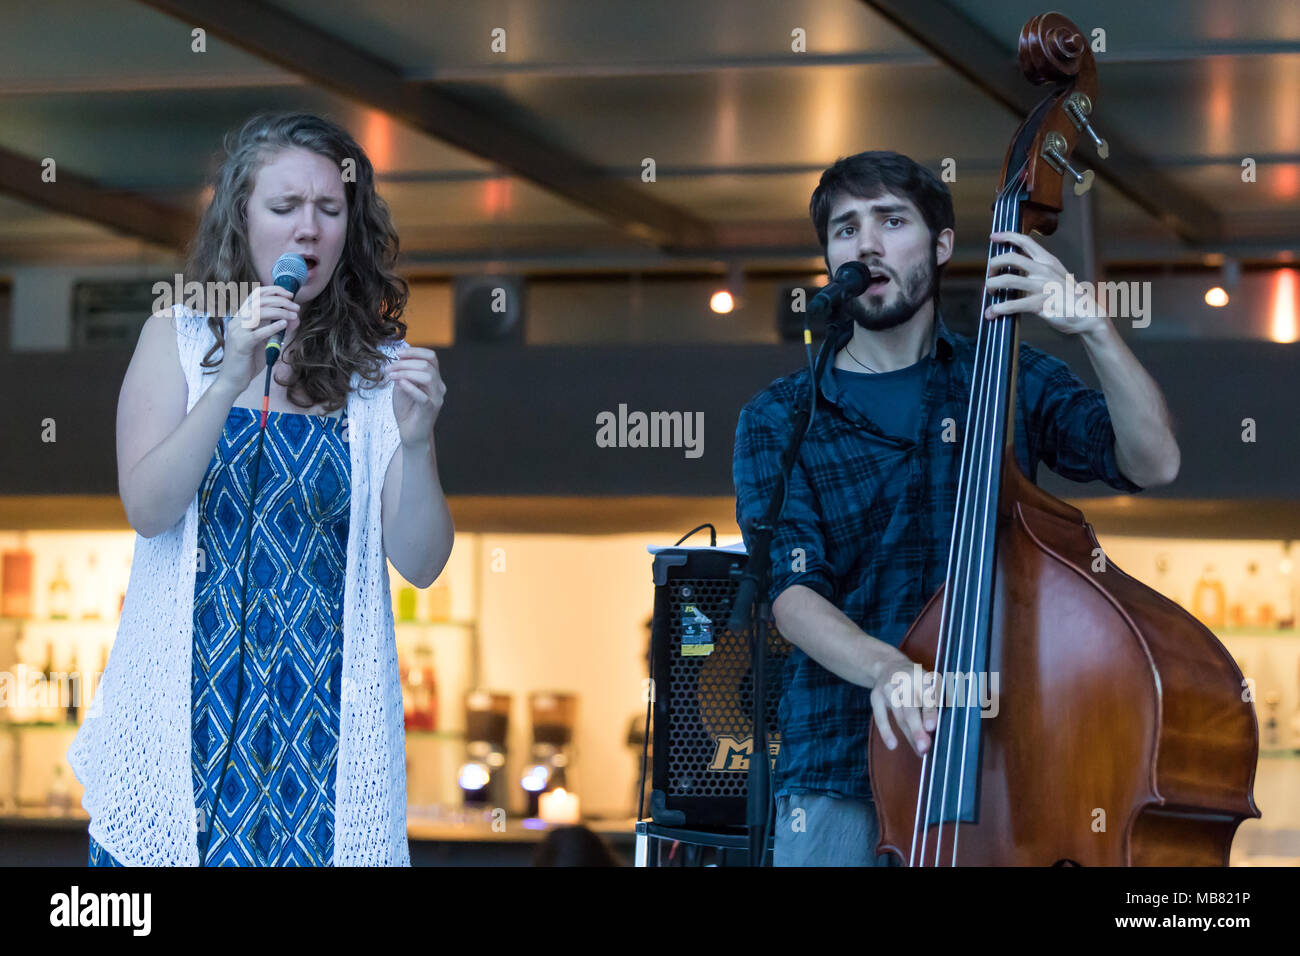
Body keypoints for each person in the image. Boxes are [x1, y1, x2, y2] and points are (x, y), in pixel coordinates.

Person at [732, 150, 1180, 866]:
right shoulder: (779, 419)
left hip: (1002, 765)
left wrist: (1093, 329)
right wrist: (888, 669)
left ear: (941, 245)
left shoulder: (1007, 378)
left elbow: (1152, 461)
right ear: (830, 261)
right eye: (845, 229)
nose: (866, 243)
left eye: (891, 220)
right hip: (839, 772)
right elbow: (791, 591)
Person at [69, 111, 454, 866]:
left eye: (329, 210)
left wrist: (417, 438)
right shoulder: (176, 338)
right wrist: (226, 382)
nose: (307, 229)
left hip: (324, 738)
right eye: (285, 208)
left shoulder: (381, 374)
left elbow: (422, 562)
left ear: (351, 228)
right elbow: (149, 509)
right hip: (184, 726)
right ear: (241, 219)